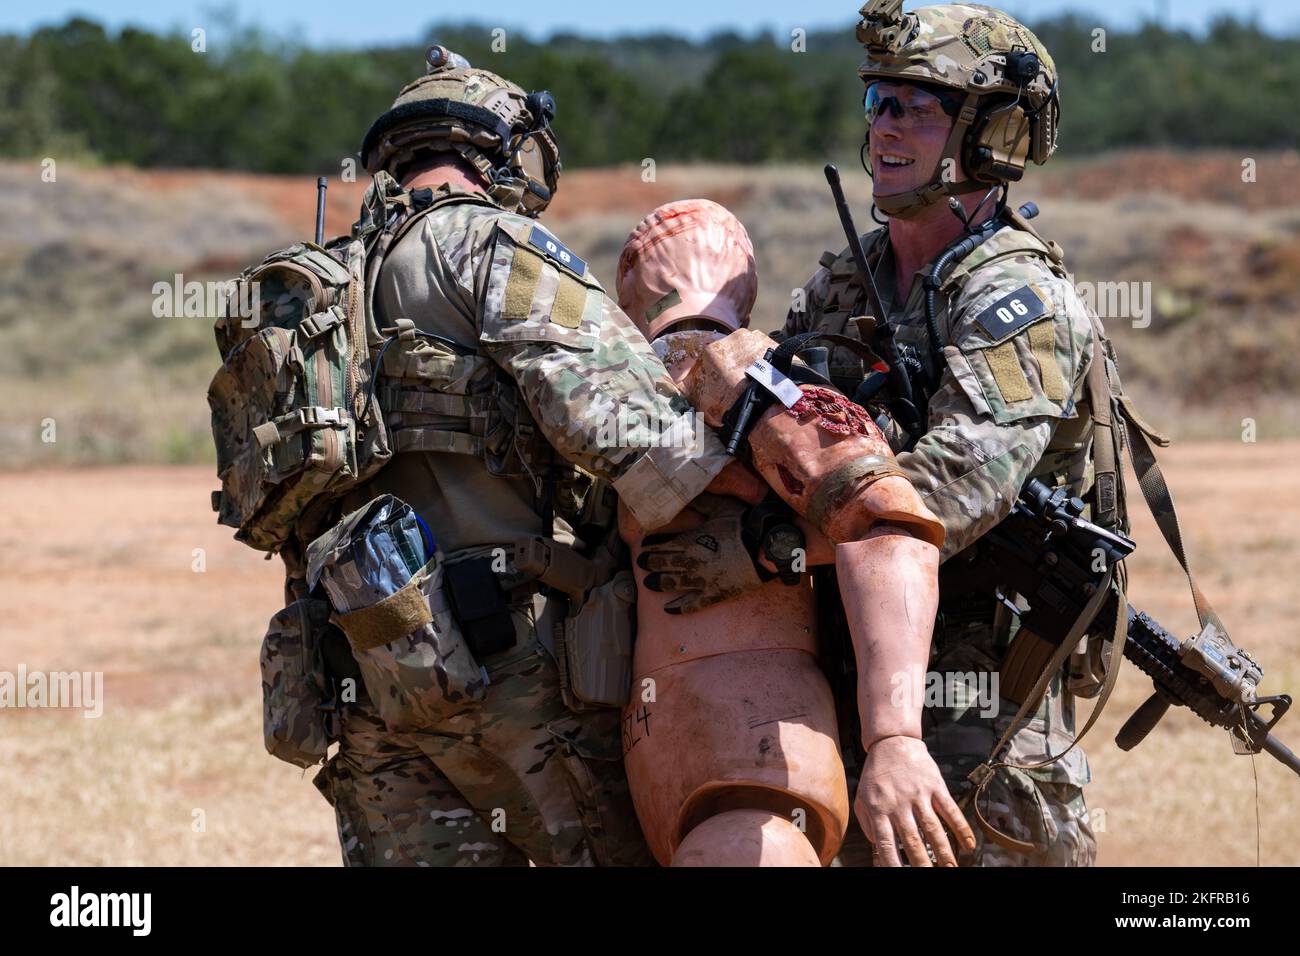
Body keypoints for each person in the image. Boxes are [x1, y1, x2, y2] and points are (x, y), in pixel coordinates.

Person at [642, 1, 1106, 867]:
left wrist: (768, 547)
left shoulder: (1017, 301)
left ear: (994, 136)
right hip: (852, 675)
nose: (887, 128)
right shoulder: (849, 282)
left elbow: (950, 495)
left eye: (919, 108)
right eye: (879, 104)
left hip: (980, 711)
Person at [287, 45, 758, 866]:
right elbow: (628, 433)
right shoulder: (490, 244)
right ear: (496, 152)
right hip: (500, 670)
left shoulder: (318, 285)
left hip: (359, 678)